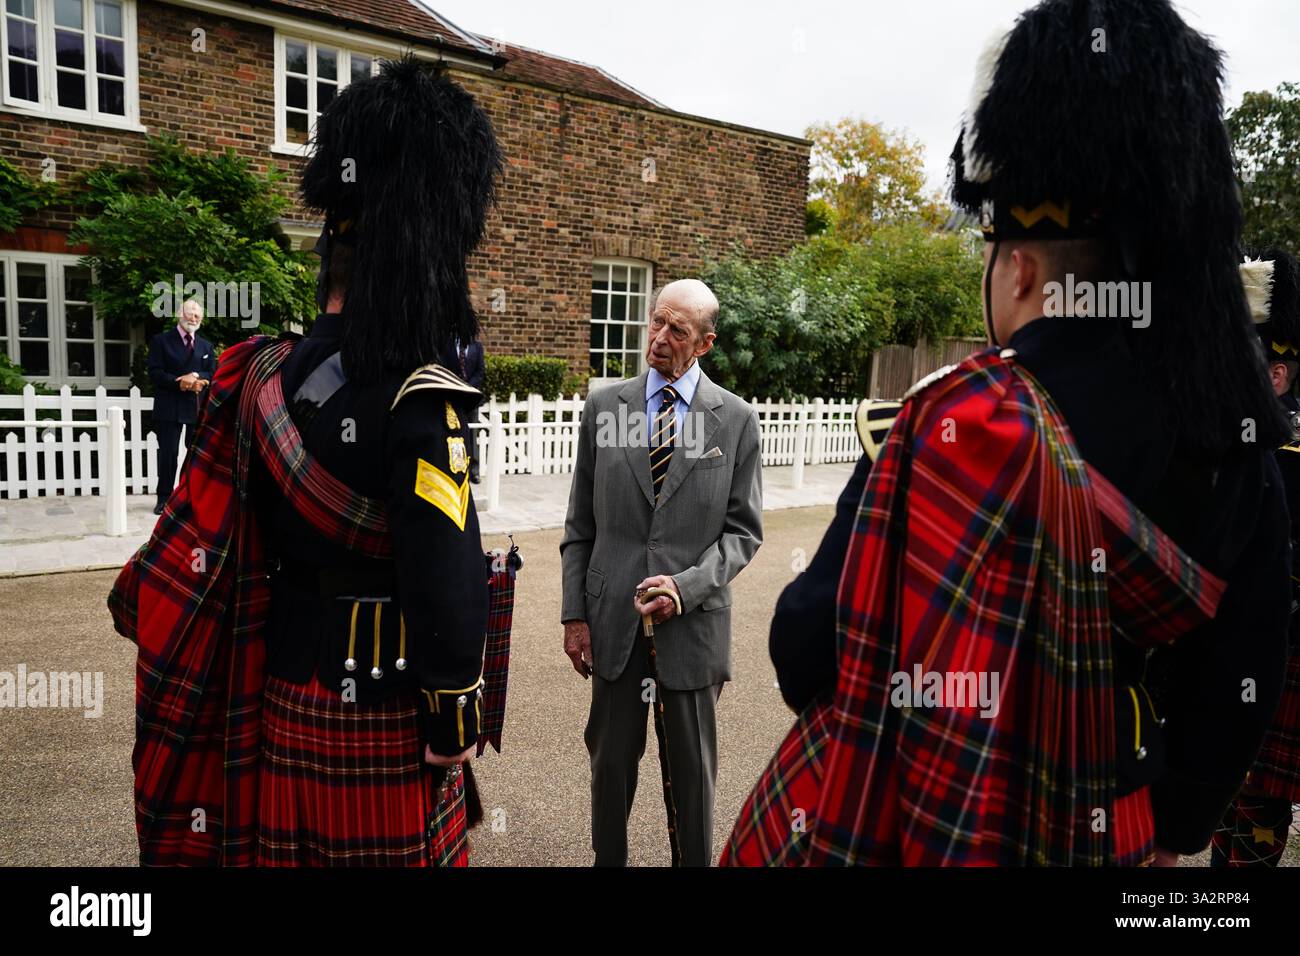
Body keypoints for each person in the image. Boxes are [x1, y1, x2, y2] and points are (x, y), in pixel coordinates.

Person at [724, 0, 1291, 866]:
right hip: (1124, 827)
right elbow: (1244, 670)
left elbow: (806, 648)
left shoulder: (949, 419)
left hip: (930, 820)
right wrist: (1173, 828)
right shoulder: (1235, 438)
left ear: (1019, 266)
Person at [108, 56, 504, 866]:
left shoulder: (258, 372)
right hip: (386, 708)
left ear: (329, 253)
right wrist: (452, 727)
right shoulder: (424, 399)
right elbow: (446, 580)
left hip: (283, 687)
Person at [560, 278, 763, 866]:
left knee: (694, 784)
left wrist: (686, 587)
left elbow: (744, 533)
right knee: (610, 773)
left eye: (677, 330)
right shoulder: (604, 407)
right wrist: (575, 616)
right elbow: (580, 526)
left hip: (692, 633)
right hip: (613, 625)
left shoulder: (736, 421)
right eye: (656, 323)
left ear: (704, 343)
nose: (659, 338)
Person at [1213, 250, 1300, 866]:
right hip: (1255, 658)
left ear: (1274, 374)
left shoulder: (1270, 450)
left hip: (1273, 657)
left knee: (1251, 809)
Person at [147, 298, 214, 515]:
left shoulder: (206, 346)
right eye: (189, 313)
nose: (193, 318)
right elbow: (155, 373)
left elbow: (212, 373)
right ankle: (164, 498)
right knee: (168, 453)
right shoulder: (161, 341)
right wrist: (180, 381)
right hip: (169, 406)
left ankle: (189, 497)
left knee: (195, 455)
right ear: (179, 314)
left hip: (196, 407)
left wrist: (196, 376)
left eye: (197, 315)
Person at [443, 334, 486, 483]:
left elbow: (480, 372)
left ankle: (473, 471)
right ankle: (456, 468)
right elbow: (444, 368)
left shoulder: (477, 346)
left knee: (472, 434)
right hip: (452, 397)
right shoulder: (447, 345)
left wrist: (467, 387)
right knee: (453, 433)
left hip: (470, 399)